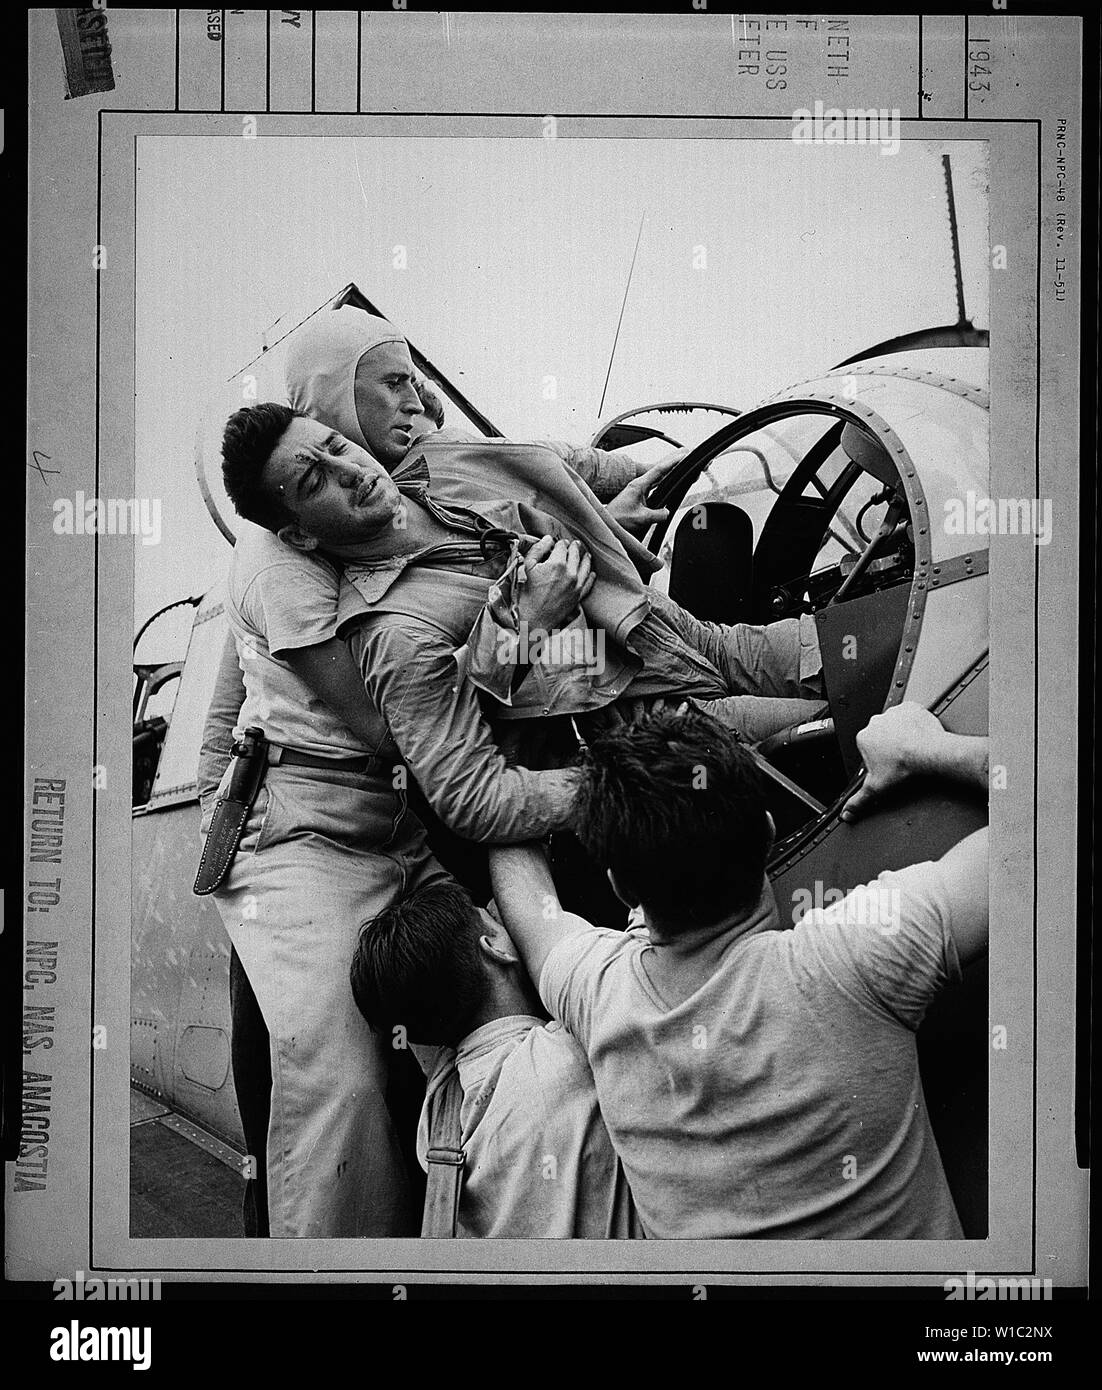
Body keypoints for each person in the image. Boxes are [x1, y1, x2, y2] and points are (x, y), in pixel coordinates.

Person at [486, 702, 990, 1239]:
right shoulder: (855, 956)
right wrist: (925, 749)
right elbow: (1048, 817)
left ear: (620, 888)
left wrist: (495, 771)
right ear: (769, 831)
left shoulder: (598, 994)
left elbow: (530, 907)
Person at [217, 405, 825, 846]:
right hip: (660, 734)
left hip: (689, 643)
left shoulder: (448, 478)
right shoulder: (391, 630)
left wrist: (606, 520)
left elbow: (556, 476)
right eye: (313, 479)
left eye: (334, 446)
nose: (347, 469)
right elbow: (473, 798)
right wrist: (635, 786)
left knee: (861, 648)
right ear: (300, 534)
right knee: (844, 720)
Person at [348, 879, 641, 1239]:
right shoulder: (570, 1052)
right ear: (495, 948)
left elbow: (415, 996)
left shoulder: (439, 1110)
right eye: (496, 920)